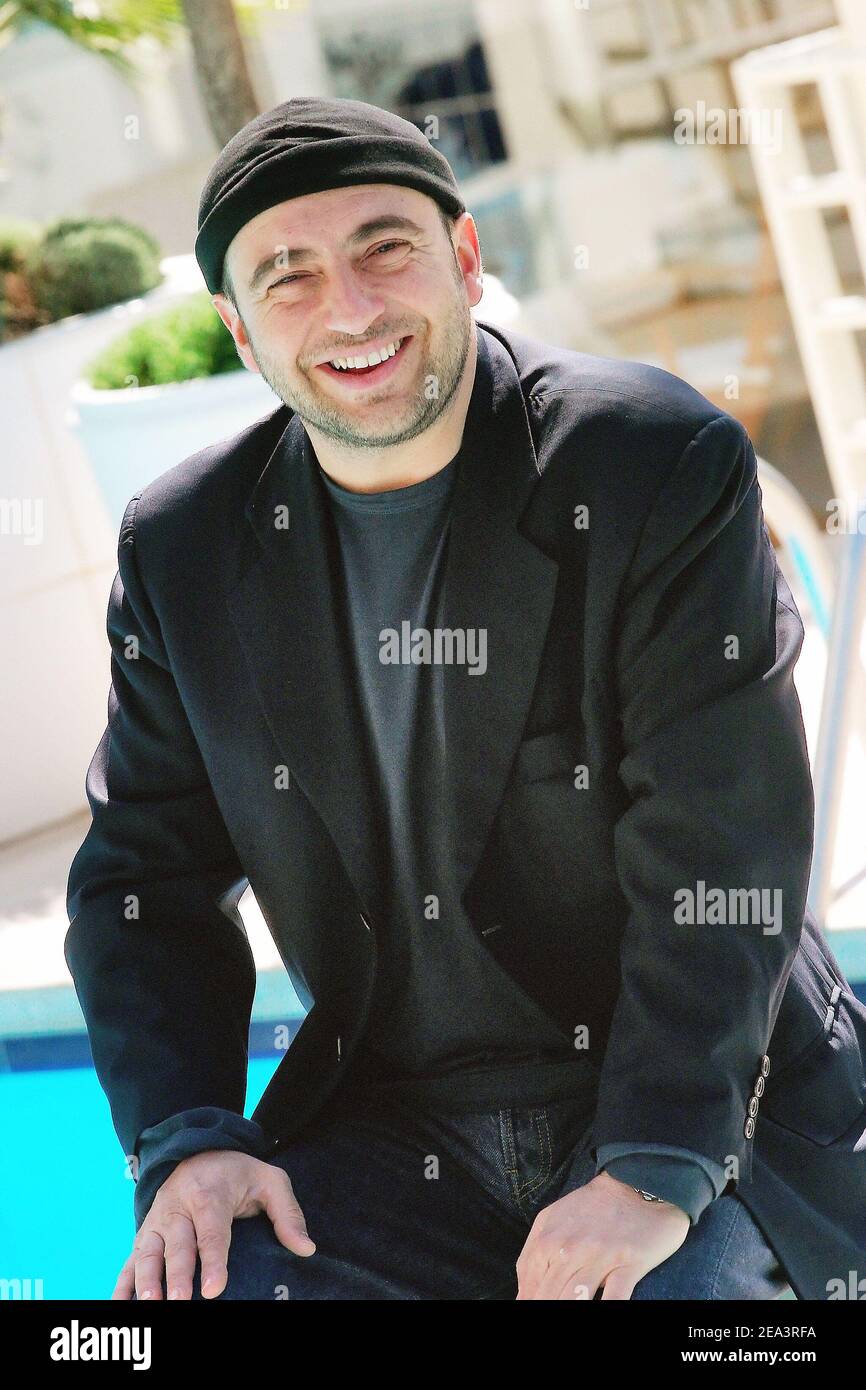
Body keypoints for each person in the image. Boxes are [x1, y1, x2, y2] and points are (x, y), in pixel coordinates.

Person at [66, 97, 866, 1302]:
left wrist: (650, 1170)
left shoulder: (650, 464)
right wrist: (186, 1137)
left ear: (464, 256)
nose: (347, 308)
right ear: (238, 329)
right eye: (286, 276)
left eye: (384, 247)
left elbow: (726, 846)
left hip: (693, 1103)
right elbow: (141, 877)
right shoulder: (184, 546)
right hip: (396, 1121)